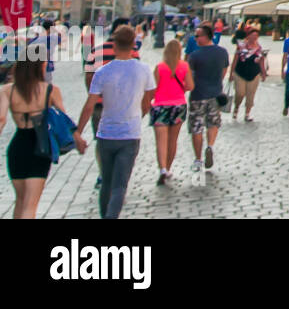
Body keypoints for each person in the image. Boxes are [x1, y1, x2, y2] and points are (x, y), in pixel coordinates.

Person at [75, 26, 154, 219]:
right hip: (130, 134)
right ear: (133, 44)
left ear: (115, 45)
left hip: (106, 133)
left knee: (107, 183)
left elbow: (89, 106)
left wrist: (78, 131)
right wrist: (139, 114)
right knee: (120, 186)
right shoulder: (143, 70)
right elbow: (148, 100)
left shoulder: (102, 72)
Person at [2, 57, 86, 218]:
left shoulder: (8, 90)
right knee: (30, 204)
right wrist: (77, 138)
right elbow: (63, 119)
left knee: (20, 201)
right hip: (40, 147)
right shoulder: (50, 90)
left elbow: (1, 119)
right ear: (39, 67)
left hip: (18, 147)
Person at [150, 39, 192, 184]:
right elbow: (190, 86)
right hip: (178, 105)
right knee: (173, 140)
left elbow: (153, 88)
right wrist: (181, 87)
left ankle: (161, 168)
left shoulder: (160, 67)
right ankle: (168, 168)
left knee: (161, 141)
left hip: (161, 106)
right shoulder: (184, 66)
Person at [186, 24, 228, 172]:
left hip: (198, 95)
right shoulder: (222, 52)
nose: (195, 38)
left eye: (198, 36)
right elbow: (224, 70)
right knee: (213, 123)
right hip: (216, 94)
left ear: (205, 36)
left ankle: (198, 159)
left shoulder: (195, 56)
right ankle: (210, 145)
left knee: (197, 127)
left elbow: (189, 77)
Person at [231, 28, 267, 122]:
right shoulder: (241, 46)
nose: (254, 37)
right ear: (248, 36)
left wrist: (263, 73)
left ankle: (247, 114)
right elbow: (235, 59)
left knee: (250, 95)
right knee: (240, 93)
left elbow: (261, 61)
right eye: (253, 35)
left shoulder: (259, 48)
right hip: (240, 72)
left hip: (254, 73)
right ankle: (236, 107)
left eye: (256, 36)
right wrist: (231, 72)